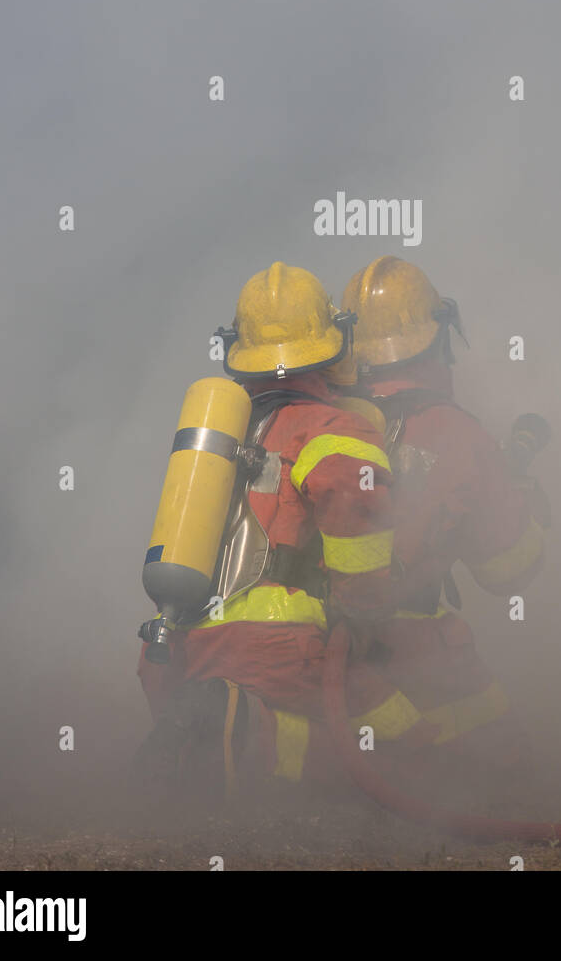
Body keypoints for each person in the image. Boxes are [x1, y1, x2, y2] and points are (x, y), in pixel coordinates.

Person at [137, 261, 434, 792]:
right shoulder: (331, 426)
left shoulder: (223, 430)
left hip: (177, 648)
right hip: (277, 647)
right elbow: (354, 505)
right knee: (405, 747)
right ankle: (243, 731)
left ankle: (212, 723)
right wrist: (366, 607)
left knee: (373, 731)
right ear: (334, 341)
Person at [340, 255, 548, 797]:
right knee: (516, 770)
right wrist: (525, 501)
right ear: (438, 340)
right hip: (411, 657)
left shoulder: (322, 421)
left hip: (325, 657)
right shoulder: (459, 435)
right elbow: (507, 570)